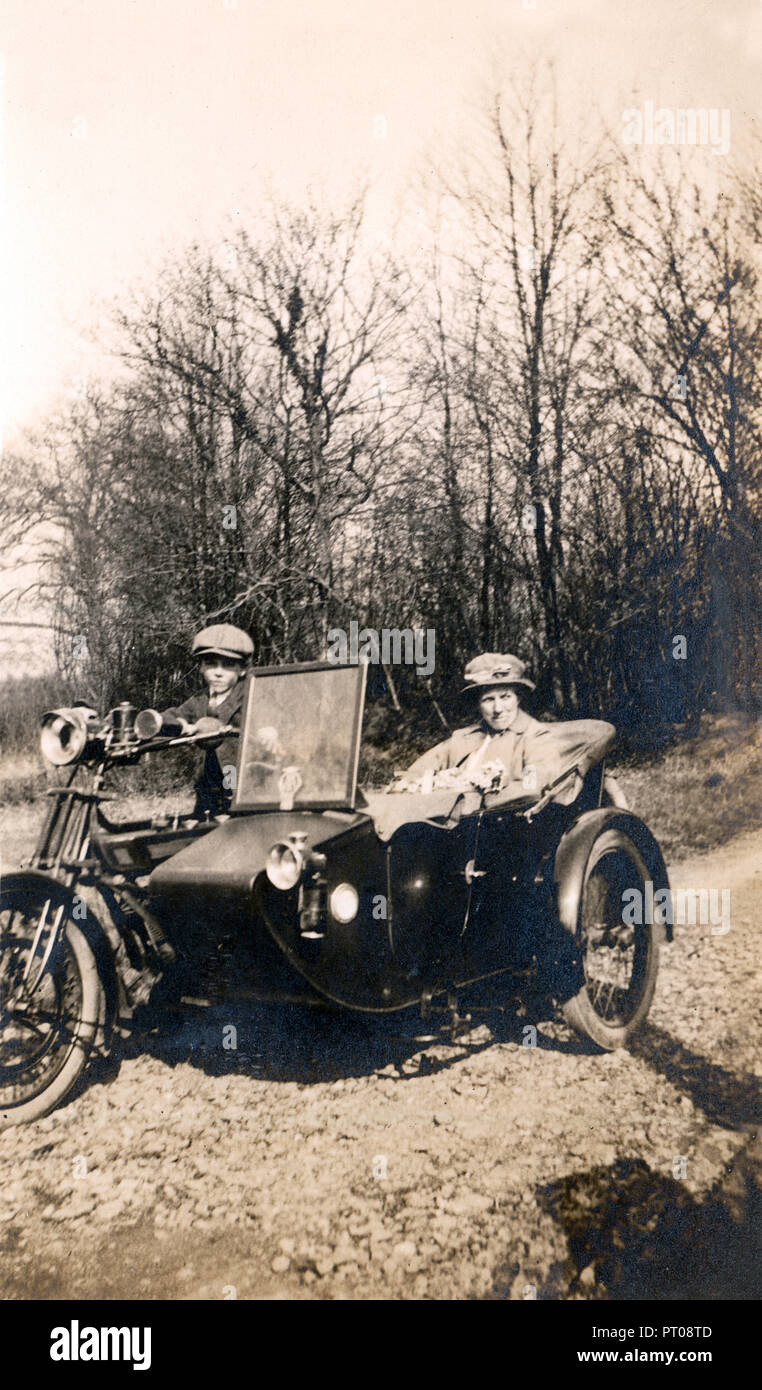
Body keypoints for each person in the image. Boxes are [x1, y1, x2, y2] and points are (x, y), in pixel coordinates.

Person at [399, 652, 621, 806]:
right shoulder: (462, 739)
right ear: (478, 703)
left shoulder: (536, 738)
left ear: (518, 698)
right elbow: (415, 773)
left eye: (505, 697)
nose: (498, 709)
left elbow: (533, 784)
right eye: (488, 699)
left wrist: (480, 790)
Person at [162, 623, 254, 818]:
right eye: (211, 664)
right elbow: (170, 716)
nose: (218, 672)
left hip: (243, 791)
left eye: (228, 665)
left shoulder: (252, 696)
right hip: (207, 793)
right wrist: (181, 725)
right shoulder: (198, 701)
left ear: (243, 670)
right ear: (201, 667)